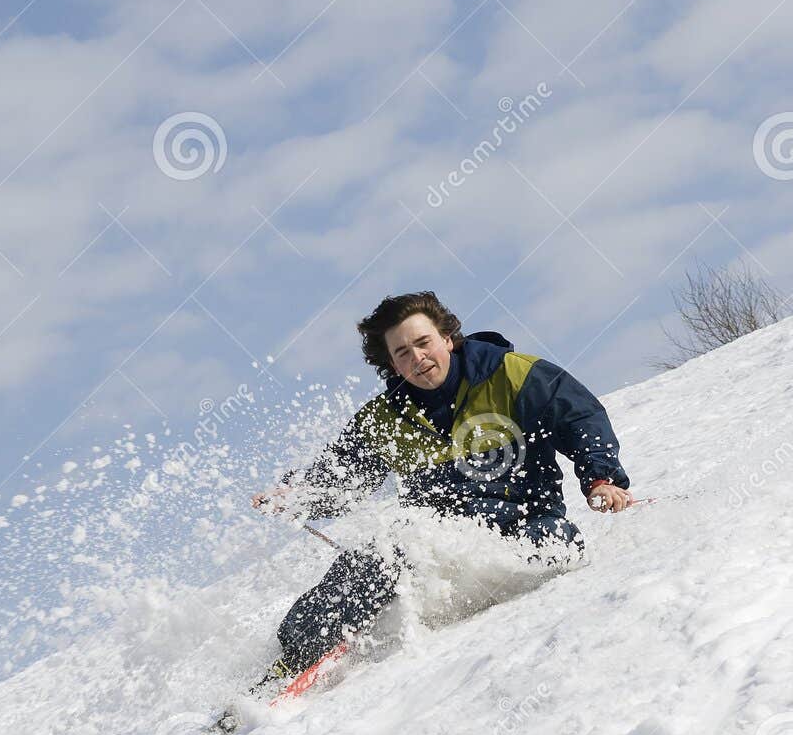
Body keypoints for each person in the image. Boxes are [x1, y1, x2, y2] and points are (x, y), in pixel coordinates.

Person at [250, 290, 633, 684]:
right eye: (402, 353)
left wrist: (601, 479)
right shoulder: (385, 418)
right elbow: (344, 473)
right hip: (438, 545)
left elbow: (579, 418)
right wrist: (297, 497)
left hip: (525, 525)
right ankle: (291, 662)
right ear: (392, 365)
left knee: (560, 544)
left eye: (423, 342)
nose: (417, 357)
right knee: (376, 558)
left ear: (447, 338)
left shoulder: (512, 374)